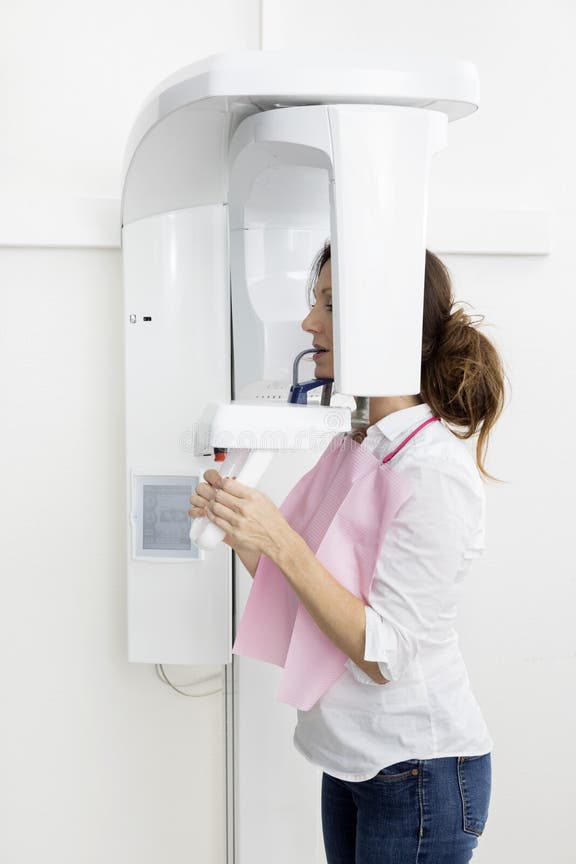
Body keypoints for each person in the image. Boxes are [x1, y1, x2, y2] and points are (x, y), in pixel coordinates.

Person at [189, 242, 507, 864]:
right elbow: (317, 598)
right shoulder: (357, 445)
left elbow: (384, 657)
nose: (310, 324)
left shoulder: (434, 473)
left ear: (389, 325)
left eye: (330, 305)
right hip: (355, 759)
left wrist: (278, 537)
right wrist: (244, 532)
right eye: (317, 302)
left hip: (417, 768)